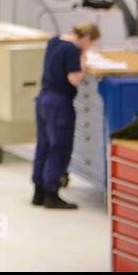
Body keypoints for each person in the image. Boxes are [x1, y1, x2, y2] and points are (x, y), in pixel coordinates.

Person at [32, 22, 99, 209]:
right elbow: (75, 79)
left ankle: (38, 192)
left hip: (43, 99)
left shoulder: (55, 41)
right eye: (91, 44)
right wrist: (83, 56)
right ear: (87, 39)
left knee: (44, 145)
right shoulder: (73, 50)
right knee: (59, 147)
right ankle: (52, 194)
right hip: (59, 103)